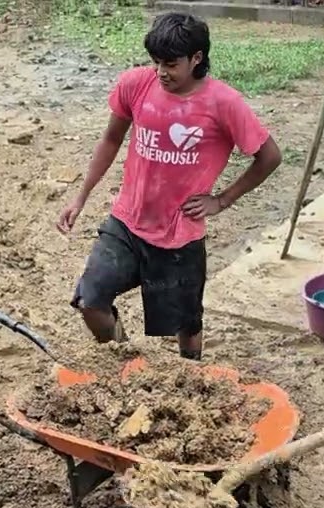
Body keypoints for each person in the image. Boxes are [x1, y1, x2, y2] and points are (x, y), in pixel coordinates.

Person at [56, 12, 282, 360]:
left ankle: (190, 379)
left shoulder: (224, 103)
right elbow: (111, 138)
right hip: (128, 223)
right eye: (157, 62)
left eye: (171, 64)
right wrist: (80, 197)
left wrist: (222, 200)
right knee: (90, 299)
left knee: (185, 326)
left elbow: (269, 156)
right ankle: (123, 358)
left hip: (178, 236)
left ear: (197, 59)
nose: (161, 72)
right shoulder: (136, 84)